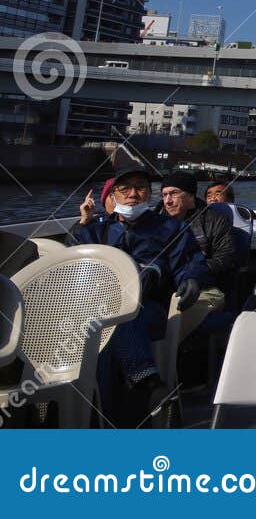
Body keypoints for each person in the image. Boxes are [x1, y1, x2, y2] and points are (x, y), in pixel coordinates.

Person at [71, 160, 208, 425]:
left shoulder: (171, 229)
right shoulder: (96, 230)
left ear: (149, 193)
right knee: (108, 326)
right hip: (98, 310)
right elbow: (73, 258)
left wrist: (192, 279)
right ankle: (149, 389)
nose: (134, 194)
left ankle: (105, 420)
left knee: (117, 323)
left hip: (149, 309)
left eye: (141, 188)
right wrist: (83, 220)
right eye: (126, 189)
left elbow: (191, 263)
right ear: (113, 196)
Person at [159, 171, 235, 315]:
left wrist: (195, 275)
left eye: (174, 193)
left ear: (190, 196)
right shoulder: (155, 221)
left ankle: (172, 335)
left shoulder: (214, 220)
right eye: (164, 195)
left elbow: (225, 258)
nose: (168, 201)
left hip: (205, 286)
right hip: (164, 285)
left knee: (183, 310)